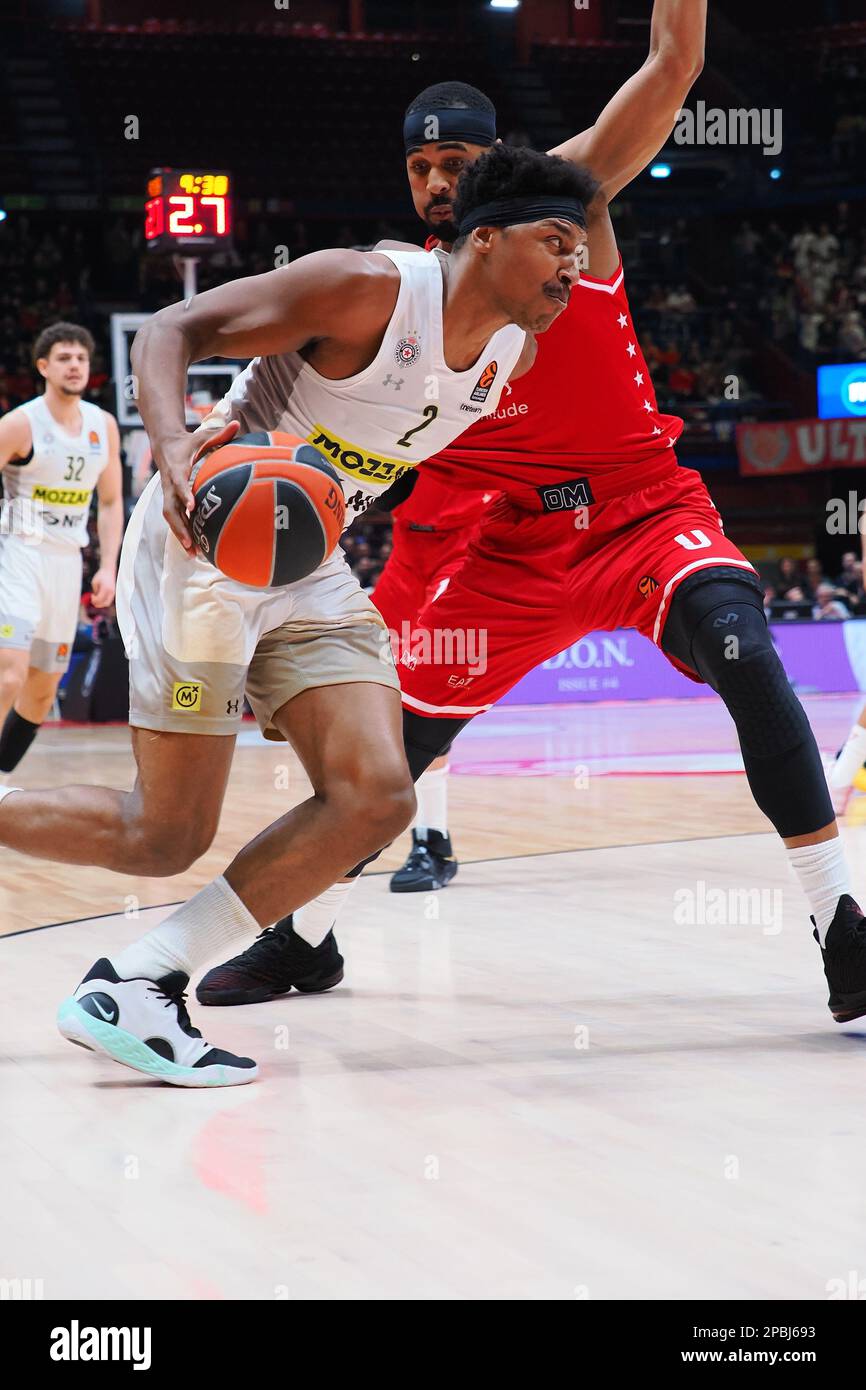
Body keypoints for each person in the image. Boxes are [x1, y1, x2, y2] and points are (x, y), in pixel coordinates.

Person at [203, 3, 866, 1028]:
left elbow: (671, 62)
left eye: (455, 163)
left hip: (643, 513)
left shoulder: (566, 205)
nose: (433, 184)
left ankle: (838, 923)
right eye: (418, 168)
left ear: (497, 164)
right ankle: (305, 936)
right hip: (513, 544)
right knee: (391, 756)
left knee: (742, 647)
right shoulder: (393, 296)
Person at [0, 146, 594, 1086]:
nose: (577, 265)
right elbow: (169, 330)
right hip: (203, 548)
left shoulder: (510, 350)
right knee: (165, 836)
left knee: (377, 795)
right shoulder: (366, 288)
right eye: (557, 241)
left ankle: (139, 984)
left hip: (305, 558)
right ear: (484, 240)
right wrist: (171, 449)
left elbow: (391, 442)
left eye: (581, 245)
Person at [0, 323, 123, 775]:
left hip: (66, 561)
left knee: (43, 687)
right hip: (18, 552)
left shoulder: (102, 426)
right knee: (8, 671)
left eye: (82, 359)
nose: (75, 366)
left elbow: (110, 502)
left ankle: (3, 772)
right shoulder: (19, 424)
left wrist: (108, 566)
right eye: (65, 358)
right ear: (43, 367)